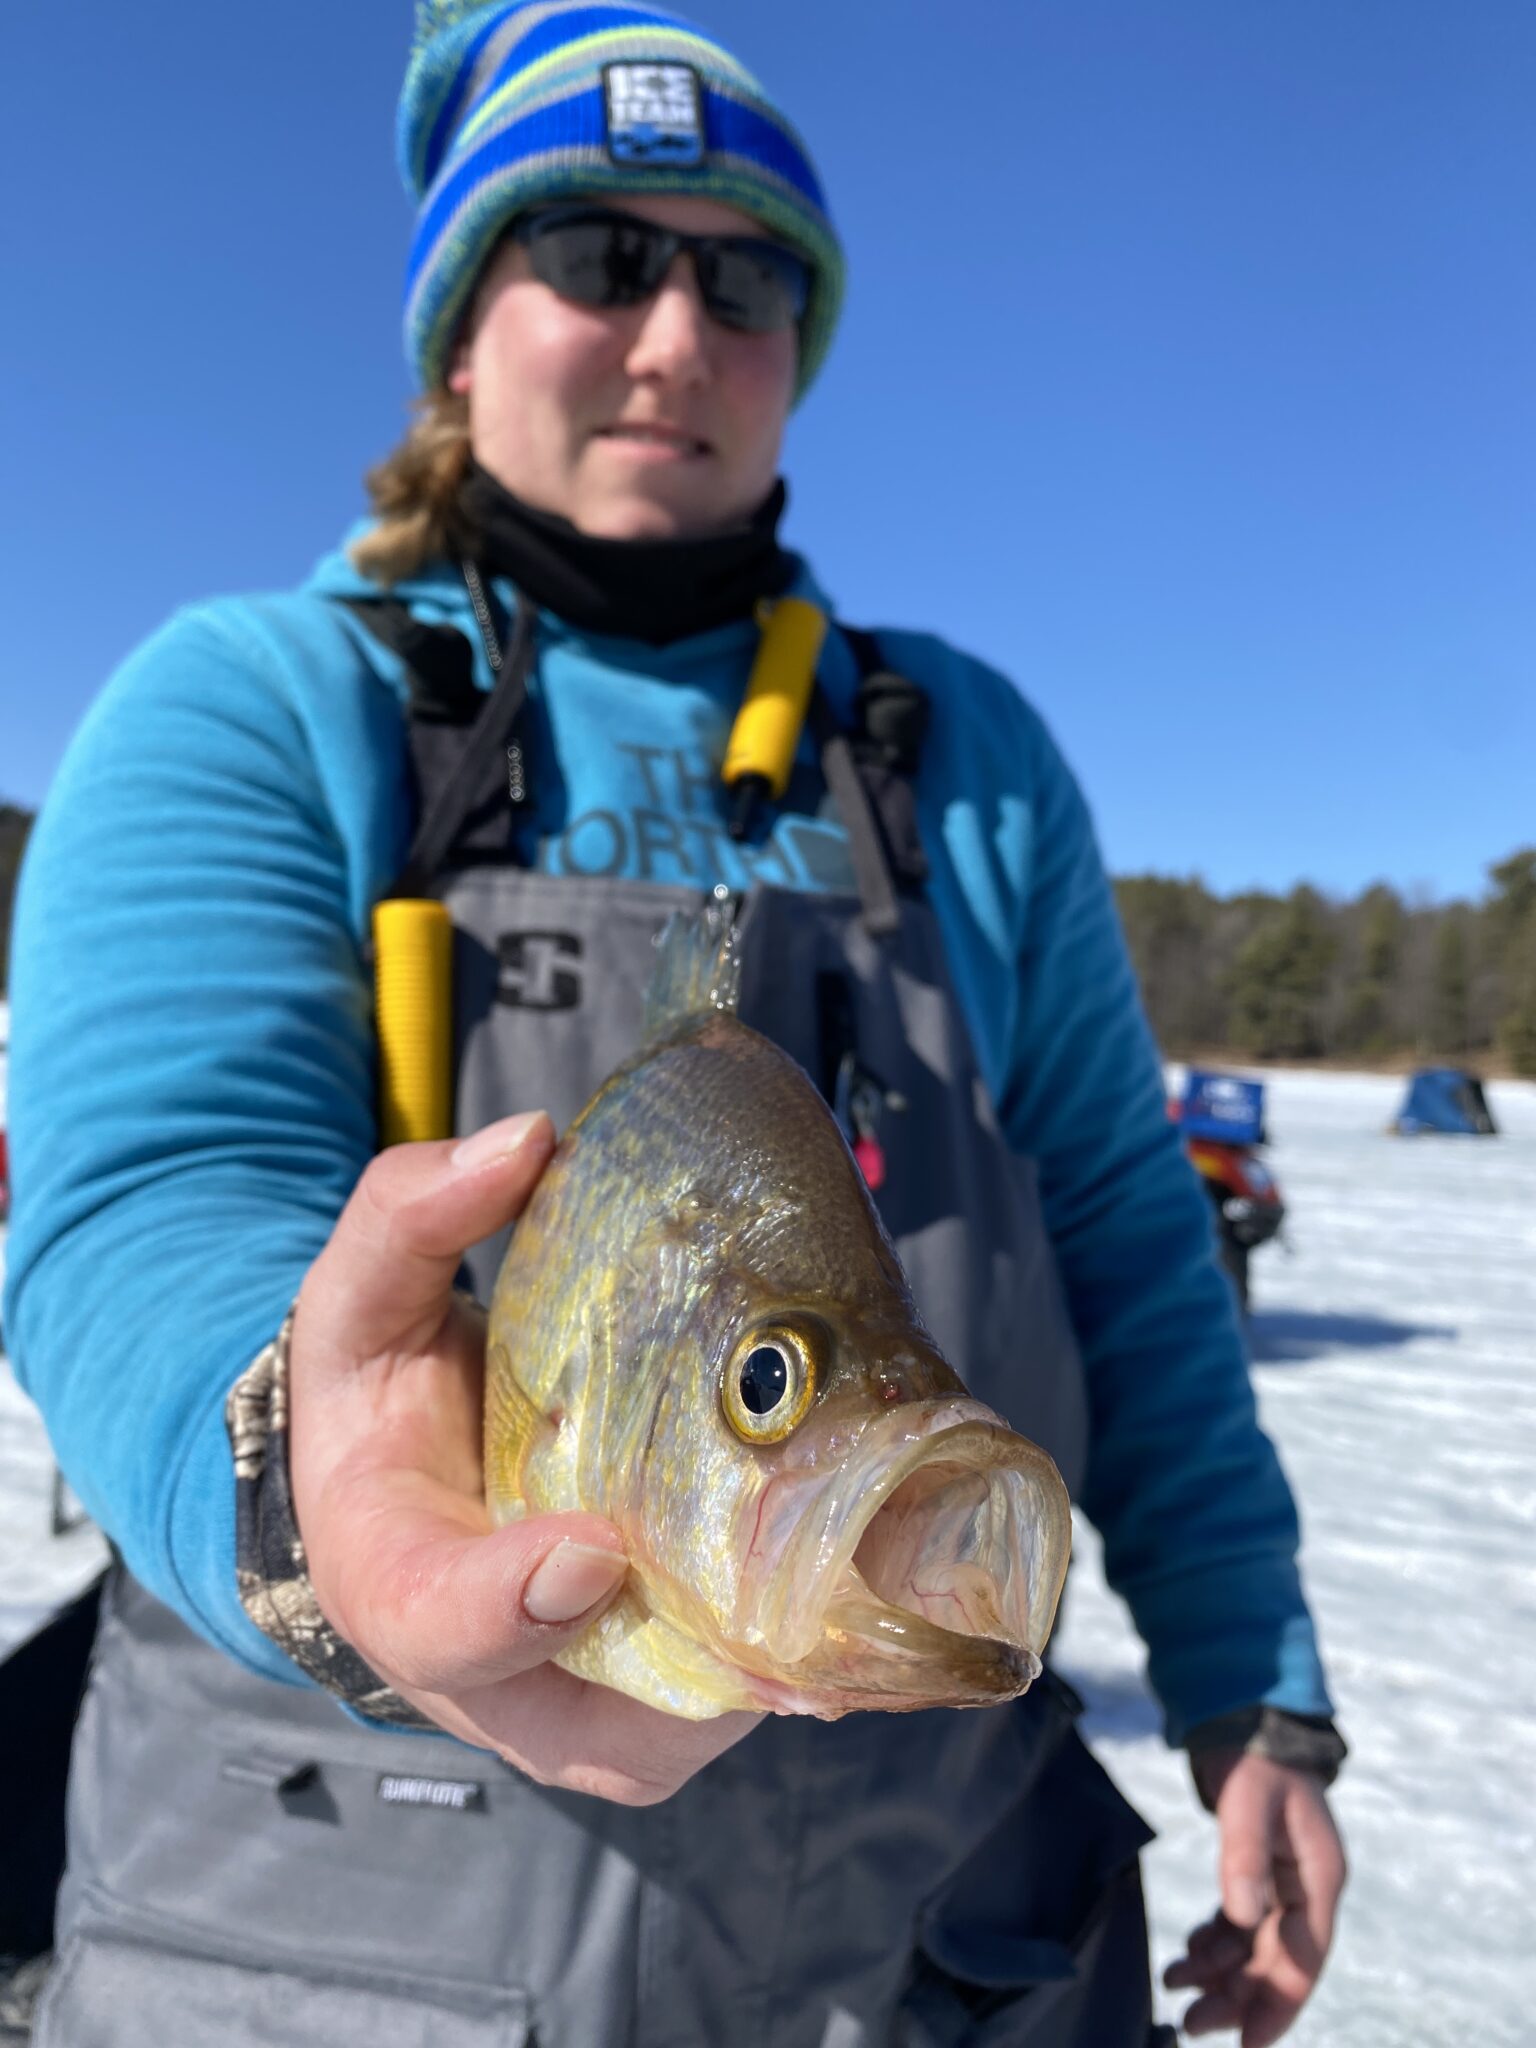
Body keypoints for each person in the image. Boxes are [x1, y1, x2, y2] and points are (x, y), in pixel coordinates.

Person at [2, 4, 1347, 2044]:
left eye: (748, 275)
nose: (675, 333)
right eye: (602, 257)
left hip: (929, 1934)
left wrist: (1252, 1686)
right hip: (344, 1918)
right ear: (462, 328)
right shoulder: (258, 701)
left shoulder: (960, 758)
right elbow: (150, 1196)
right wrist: (312, 1506)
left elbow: (1127, 1243)